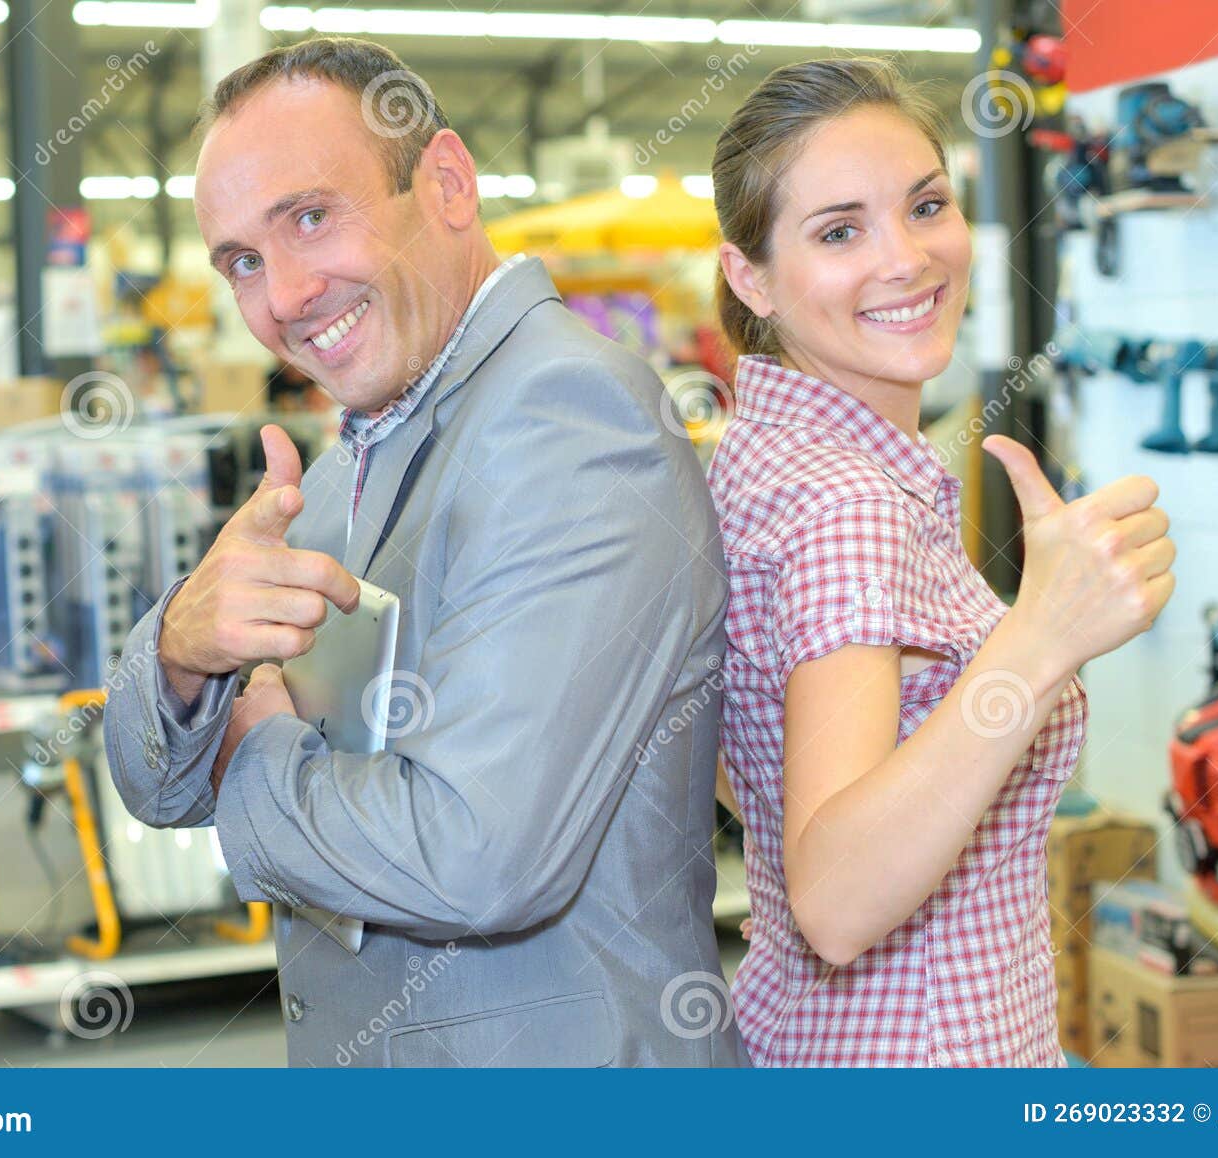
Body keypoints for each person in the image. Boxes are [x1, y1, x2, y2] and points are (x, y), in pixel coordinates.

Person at [101, 37, 748, 1068]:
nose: (284, 295)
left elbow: (478, 858)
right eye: (242, 262)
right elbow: (154, 788)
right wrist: (183, 651)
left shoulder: (563, 415)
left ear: (445, 182)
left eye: (310, 217)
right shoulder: (338, 466)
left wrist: (253, 752)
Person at [707, 58, 1175, 1066]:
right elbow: (836, 903)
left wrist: (798, 867)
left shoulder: (761, 455)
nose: (908, 259)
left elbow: (730, 734)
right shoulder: (845, 500)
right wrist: (1042, 633)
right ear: (750, 278)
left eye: (926, 206)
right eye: (839, 231)